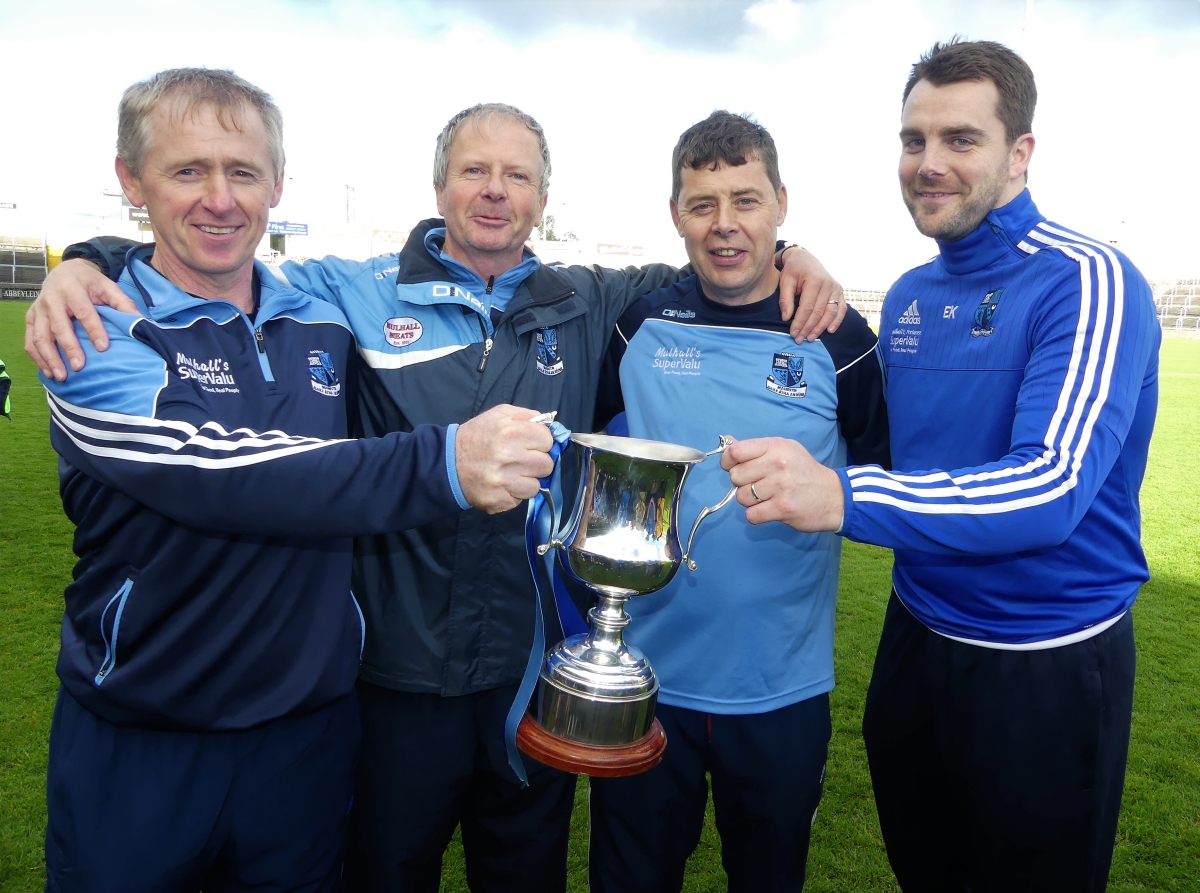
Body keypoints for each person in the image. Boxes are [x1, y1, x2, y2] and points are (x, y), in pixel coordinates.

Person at [25, 102, 848, 892]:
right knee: (386, 872)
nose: (495, 190)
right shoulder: (348, 290)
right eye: (474, 170)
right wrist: (91, 259)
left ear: (543, 199)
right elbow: (218, 248)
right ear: (439, 187)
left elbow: (719, 255)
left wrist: (797, 253)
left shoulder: (590, 301)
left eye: (517, 175)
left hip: (530, 674)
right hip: (392, 680)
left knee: (524, 874)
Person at [36, 69, 555, 893]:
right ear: (130, 181)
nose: (219, 199)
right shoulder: (93, 327)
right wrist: (442, 463)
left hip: (306, 738)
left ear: (278, 183)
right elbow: (213, 471)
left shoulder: (321, 315)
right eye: (186, 170)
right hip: (144, 737)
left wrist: (790, 254)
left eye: (242, 172)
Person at [724, 39, 1159, 893]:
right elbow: (888, 447)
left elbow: (1052, 487)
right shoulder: (916, 293)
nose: (929, 164)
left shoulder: (1088, 279)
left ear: (1019, 153)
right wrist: (790, 254)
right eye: (913, 139)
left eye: (960, 139)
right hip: (917, 641)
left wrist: (839, 496)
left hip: (1042, 659)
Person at [588, 111, 889, 893]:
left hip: (781, 692)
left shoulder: (836, 333)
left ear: (782, 202)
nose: (725, 225)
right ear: (675, 215)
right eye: (703, 203)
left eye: (746, 200)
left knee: (768, 878)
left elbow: (884, 481)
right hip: (644, 681)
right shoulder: (639, 325)